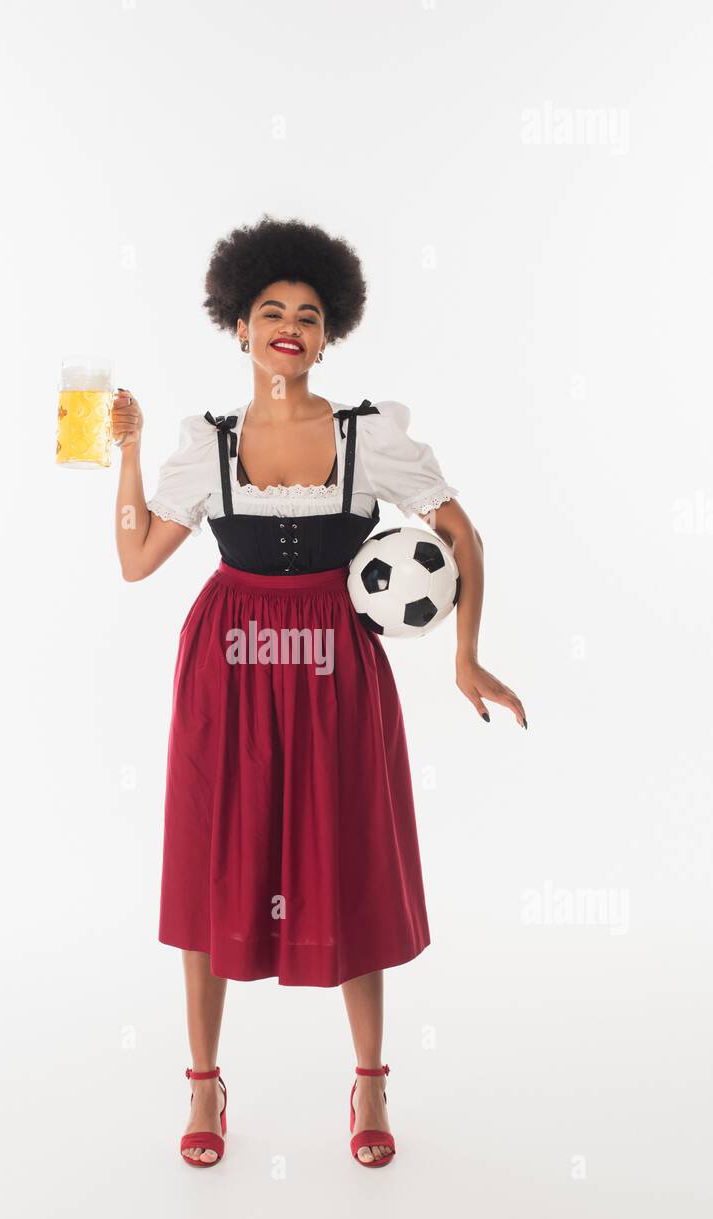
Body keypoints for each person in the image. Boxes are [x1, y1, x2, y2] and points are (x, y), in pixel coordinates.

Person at [112, 215, 527, 1169]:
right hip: (228, 664)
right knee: (216, 863)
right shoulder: (204, 445)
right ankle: (204, 1086)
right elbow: (136, 560)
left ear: (329, 331)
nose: (288, 327)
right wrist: (127, 456)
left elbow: (463, 538)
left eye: (307, 314)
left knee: (347, 860)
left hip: (338, 667)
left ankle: (371, 1082)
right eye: (270, 312)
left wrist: (464, 656)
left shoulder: (365, 437)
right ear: (240, 327)